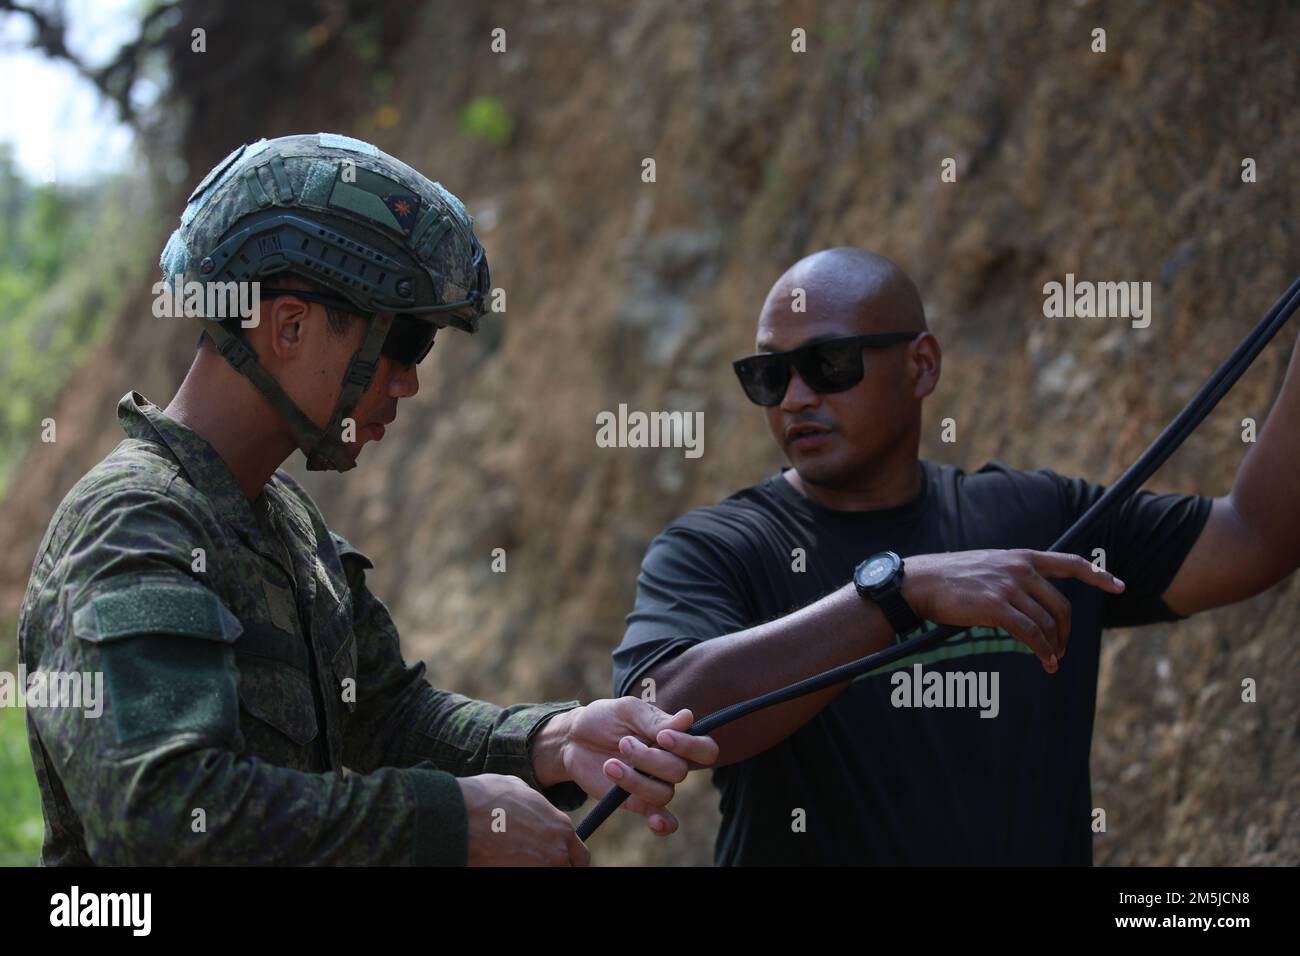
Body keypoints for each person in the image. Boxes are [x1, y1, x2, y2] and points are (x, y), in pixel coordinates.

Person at [17, 133, 717, 866]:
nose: (409, 382)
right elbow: (166, 813)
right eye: (405, 341)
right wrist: (451, 821)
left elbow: (387, 714)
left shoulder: (283, 519)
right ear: (289, 326)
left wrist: (555, 740)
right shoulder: (134, 524)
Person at [611, 247, 1300, 865]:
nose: (795, 397)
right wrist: (895, 593)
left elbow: (1255, 540)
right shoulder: (719, 548)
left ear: (922, 365)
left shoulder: (1036, 520)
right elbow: (654, 711)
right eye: (768, 374)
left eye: (829, 364)